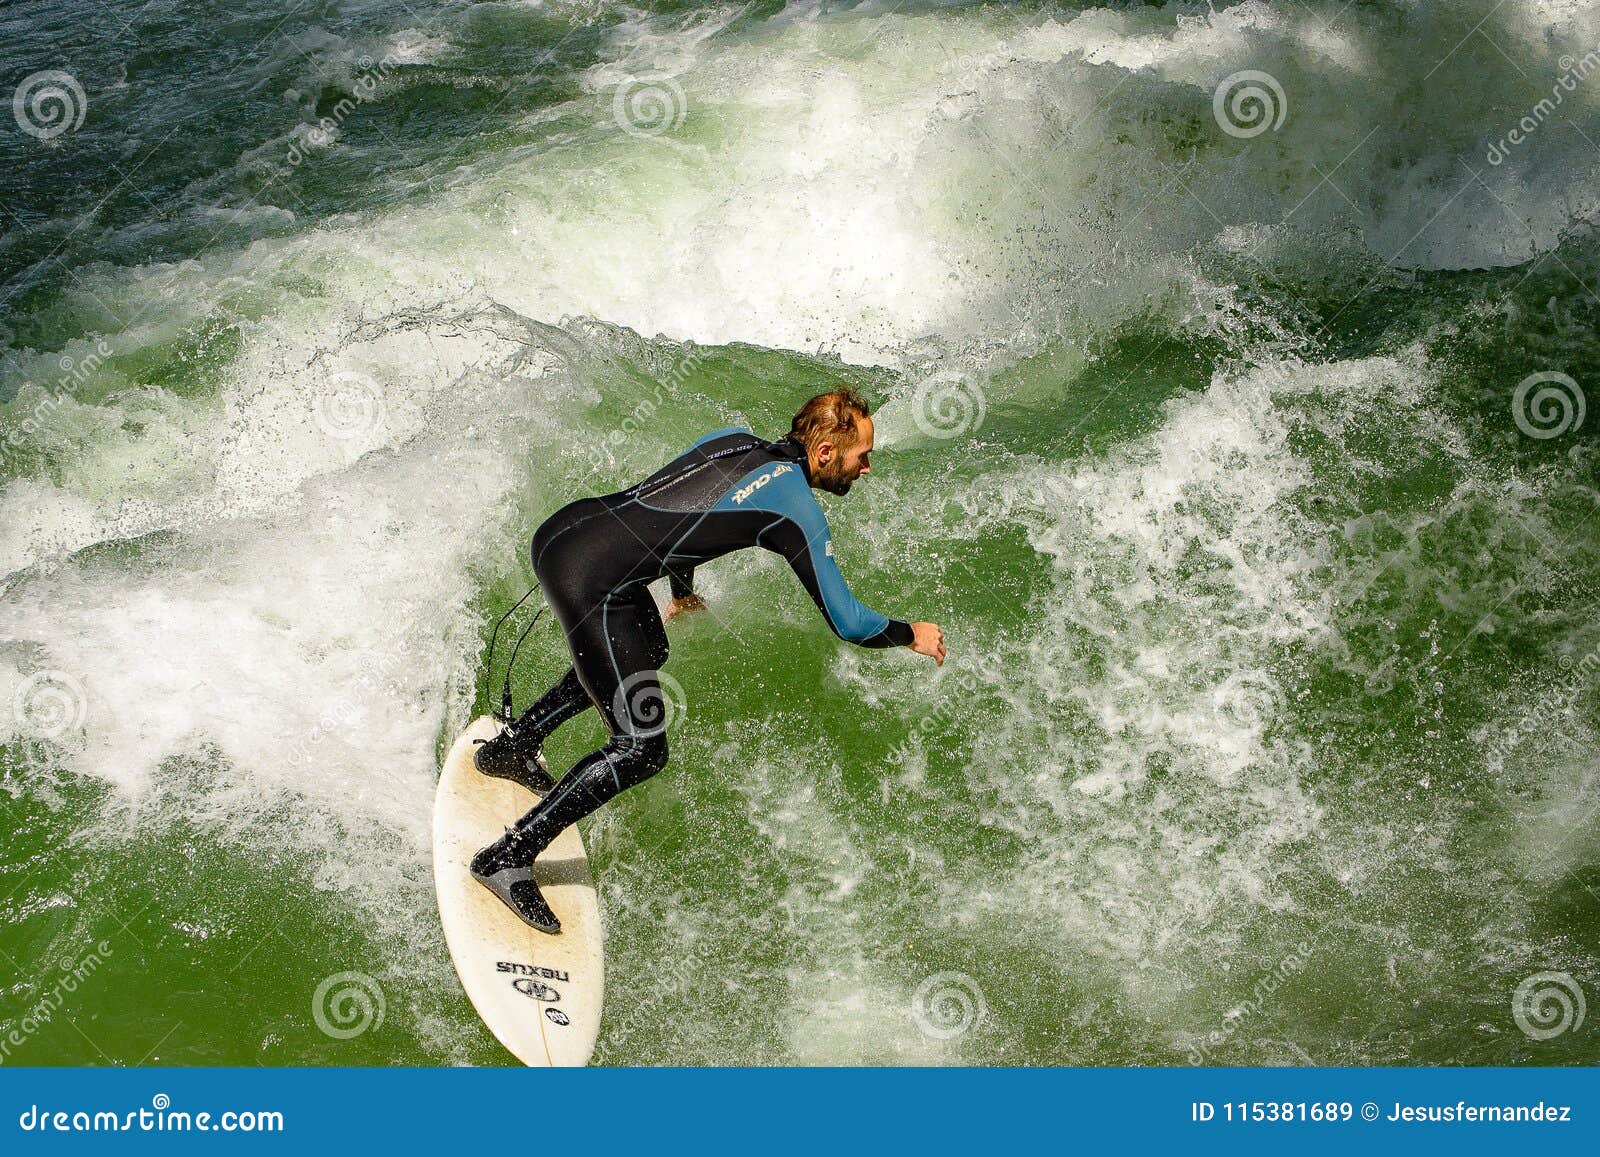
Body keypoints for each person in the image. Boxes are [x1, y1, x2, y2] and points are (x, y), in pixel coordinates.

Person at [469, 387, 947, 932]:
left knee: (648, 649)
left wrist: (678, 592)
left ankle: (515, 746)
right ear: (822, 454)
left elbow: (679, 514)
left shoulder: (734, 440)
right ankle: (506, 857)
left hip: (568, 531)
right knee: (640, 749)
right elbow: (850, 623)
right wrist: (912, 634)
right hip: (596, 584)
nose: (865, 468)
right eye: (861, 455)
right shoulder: (795, 509)